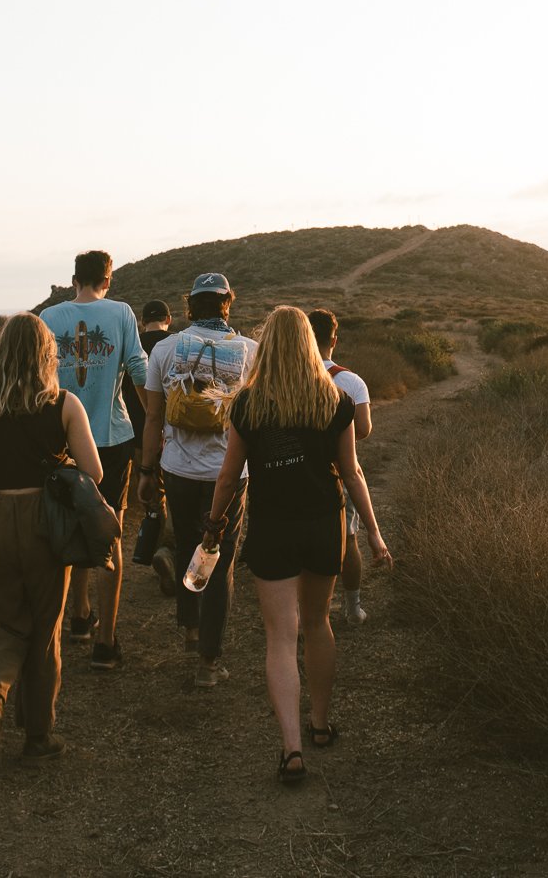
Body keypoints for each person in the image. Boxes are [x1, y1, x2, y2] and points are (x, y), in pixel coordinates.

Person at [204, 305, 391, 784]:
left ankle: (291, 750)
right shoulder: (335, 402)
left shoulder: (247, 405)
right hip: (322, 525)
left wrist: (214, 523)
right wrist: (372, 531)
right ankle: (321, 725)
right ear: (310, 343)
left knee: (281, 637)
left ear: (267, 347)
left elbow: (228, 477)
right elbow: (352, 473)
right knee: (317, 623)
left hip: (273, 529)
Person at [0, 313, 106, 775]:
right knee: (45, 625)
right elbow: (95, 473)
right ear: (47, 354)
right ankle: (38, 736)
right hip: (44, 524)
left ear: (0, 351)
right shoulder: (64, 404)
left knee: (1, 621)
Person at [139, 273, 254, 689]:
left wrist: (147, 471)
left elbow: (153, 417)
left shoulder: (166, 349)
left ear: (190, 305)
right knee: (218, 559)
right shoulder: (249, 351)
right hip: (229, 472)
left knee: (188, 545)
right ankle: (209, 661)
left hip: (178, 469)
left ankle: (190, 629)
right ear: (227, 303)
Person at [38, 250, 149, 671]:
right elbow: (138, 369)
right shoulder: (121, 313)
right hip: (110, 437)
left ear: (73, 280)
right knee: (109, 530)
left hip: (63, 439)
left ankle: (79, 617)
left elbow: (41, 378)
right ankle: (105, 642)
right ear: (109, 278)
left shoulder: (50, 318)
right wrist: (156, 417)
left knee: (71, 524)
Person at [308, 308, 374, 624]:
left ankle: (298, 611)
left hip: (293, 471)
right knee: (348, 539)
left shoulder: (288, 376)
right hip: (336, 471)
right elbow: (363, 429)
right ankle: (352, 608)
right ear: (334, 338)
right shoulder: (350, 380)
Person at [133, 299, 175, 583]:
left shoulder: (133, 346)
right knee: (175, 496)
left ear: (142, 320)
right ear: (169, 319)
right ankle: (168, 550)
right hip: (173, 432)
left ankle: (155, 544)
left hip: (137, 434)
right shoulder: (176, 344)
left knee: (152, 494)